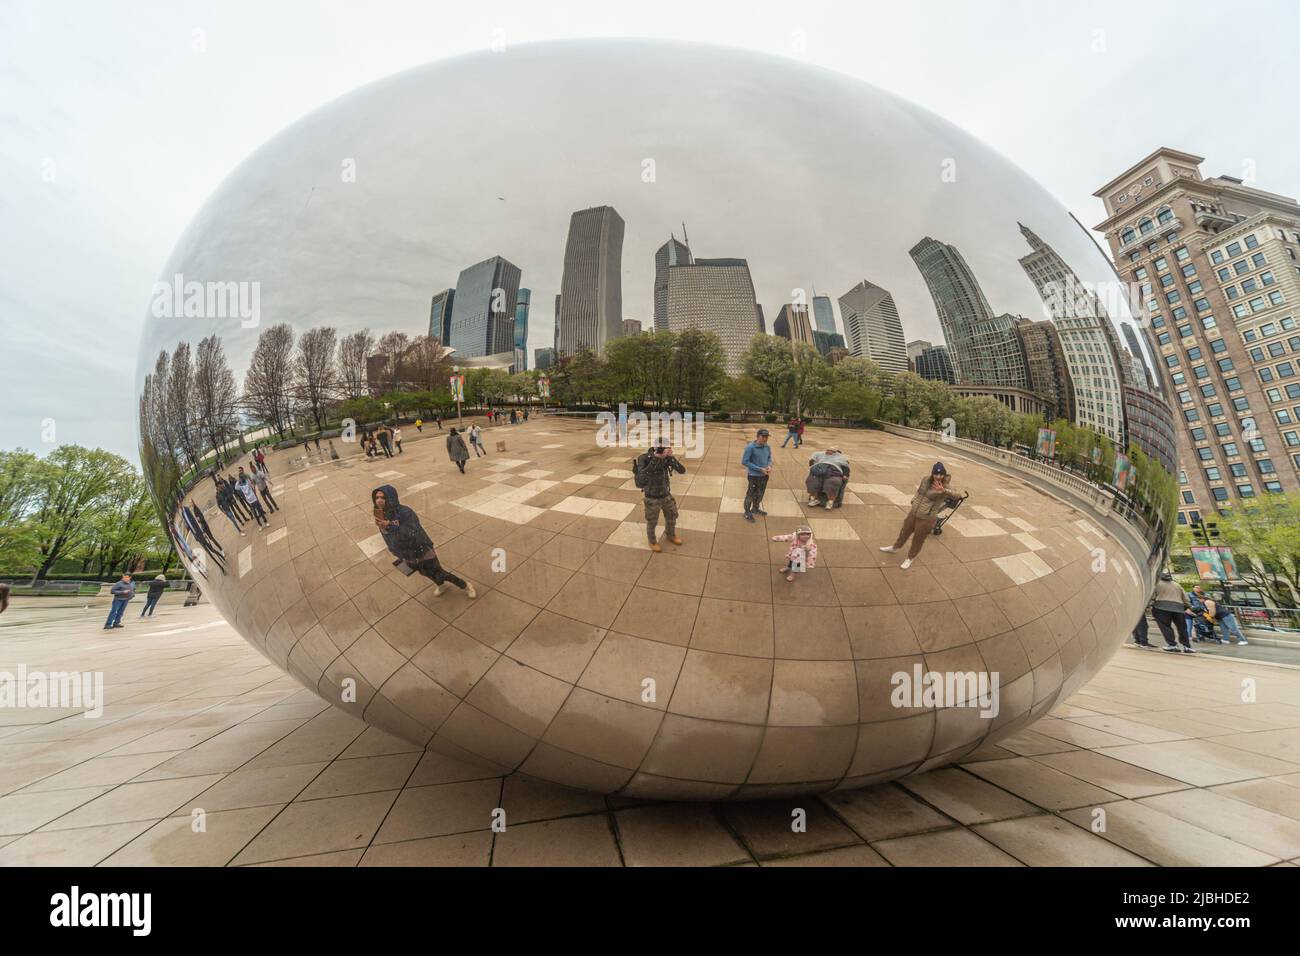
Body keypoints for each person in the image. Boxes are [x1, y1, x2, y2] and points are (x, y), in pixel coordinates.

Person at [372, 485, 475, 598]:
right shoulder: (382, 515)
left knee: (439, 572)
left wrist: (390, 526)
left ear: (391, 497)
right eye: (377, 497)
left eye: (383, 497)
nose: (379, 500)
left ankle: (465, 585)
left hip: (421, 548)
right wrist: (393, 550)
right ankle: (441, 585)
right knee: (424, 572)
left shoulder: (405, 512)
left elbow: (413, 532)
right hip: (406, 553)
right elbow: (387, 537)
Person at [880, 461, 956, 570]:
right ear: (932, 473)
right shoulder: (926, 479)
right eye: (936, 474)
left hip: (927, 518)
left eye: (941, 474)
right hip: (914, 513)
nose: (938, 477)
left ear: (944, 475)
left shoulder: (945, 486)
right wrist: (914, 500)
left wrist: (944, 490)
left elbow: (957, 495)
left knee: (918, 539)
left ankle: (910, 558)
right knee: (904, 531)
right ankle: (895, 547)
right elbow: (919, 491)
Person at [633, 441, 686, 552]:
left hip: (666, 494)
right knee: (652, 521)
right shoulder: (644, 458)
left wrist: (671, 457)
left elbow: (682, 470)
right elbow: (640, 481)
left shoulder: (666, 458)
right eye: (660, 448)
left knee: (672, 517)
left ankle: (670, 534)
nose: (662, 450)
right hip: (651, 497)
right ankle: (652, 541)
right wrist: (655, 458)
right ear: (654, 448)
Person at [1151, 571, 1193, 653]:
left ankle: (1172, 645)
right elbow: (1186, 598)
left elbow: (1152, 596)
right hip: (1178, 608)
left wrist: (1150, 605)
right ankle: (1187, 646)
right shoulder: (1177, 585)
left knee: (1165, 627)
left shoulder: (1156, 584)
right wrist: (1187, 606)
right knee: (1182, 628)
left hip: (1161, 607)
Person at [740, 428, 773, 522]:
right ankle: (747, 512)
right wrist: (759, 469)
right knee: (750, 494)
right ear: (758, 436)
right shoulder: (750, 447)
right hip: (754, 476)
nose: (765, 439)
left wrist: (769, 466)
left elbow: (769, 458)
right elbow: (744, 462)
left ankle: (755, 508)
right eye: (763, 437)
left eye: (767, 437)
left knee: (760, 493)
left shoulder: (767, 446)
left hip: (765, 475)